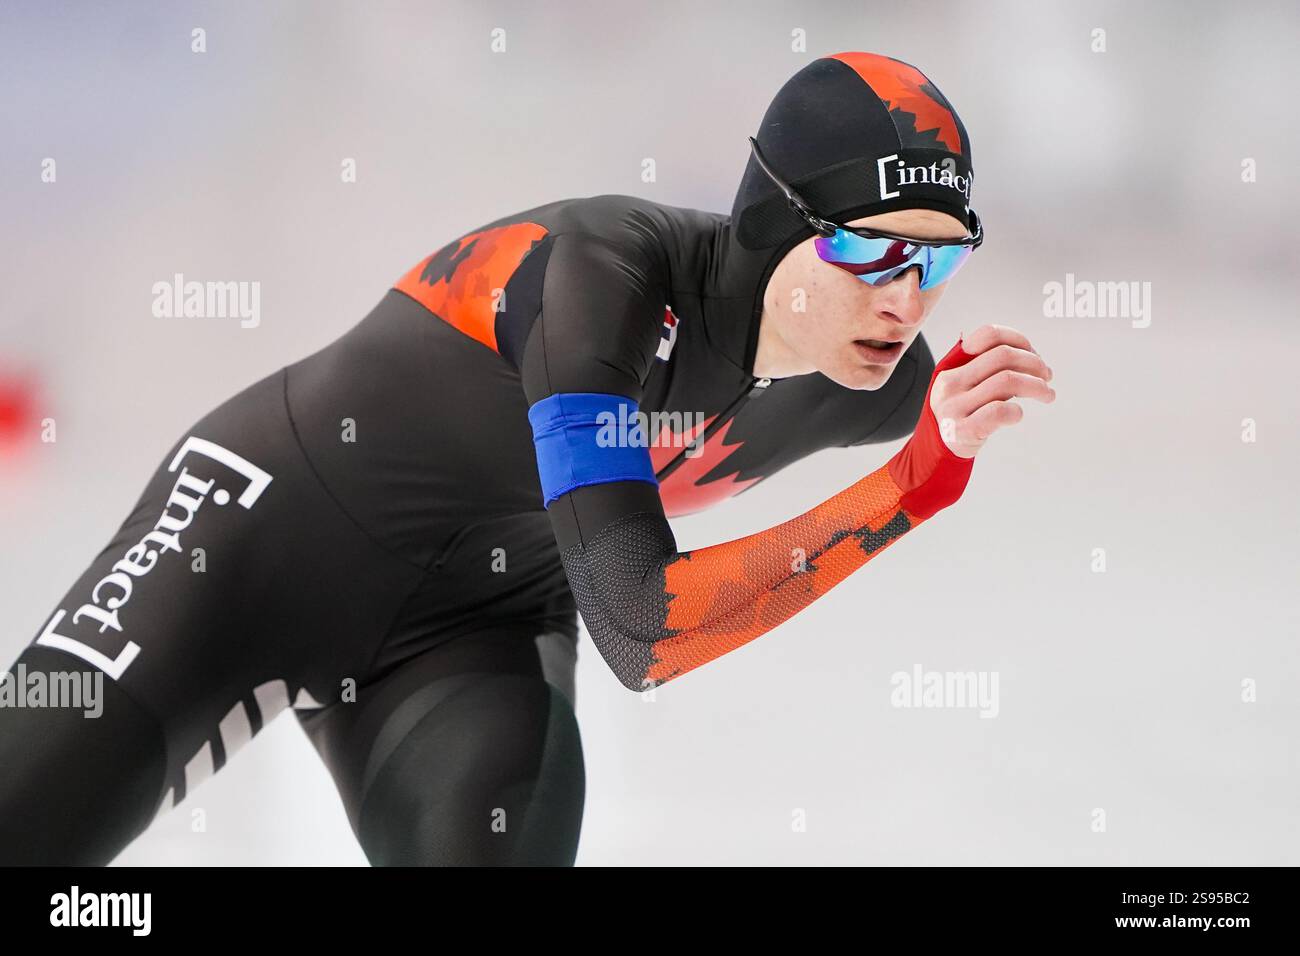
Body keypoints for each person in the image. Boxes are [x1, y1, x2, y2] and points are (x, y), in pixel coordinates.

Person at [0, 51, 1054, 866]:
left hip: (471, 634)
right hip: (249, 545)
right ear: (779, 221)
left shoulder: (877, 370)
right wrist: (910, 489)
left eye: (940, 252)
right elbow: (644, 623)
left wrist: (941, 437)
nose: (904, 295)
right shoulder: (602, 274)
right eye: (870, 246)